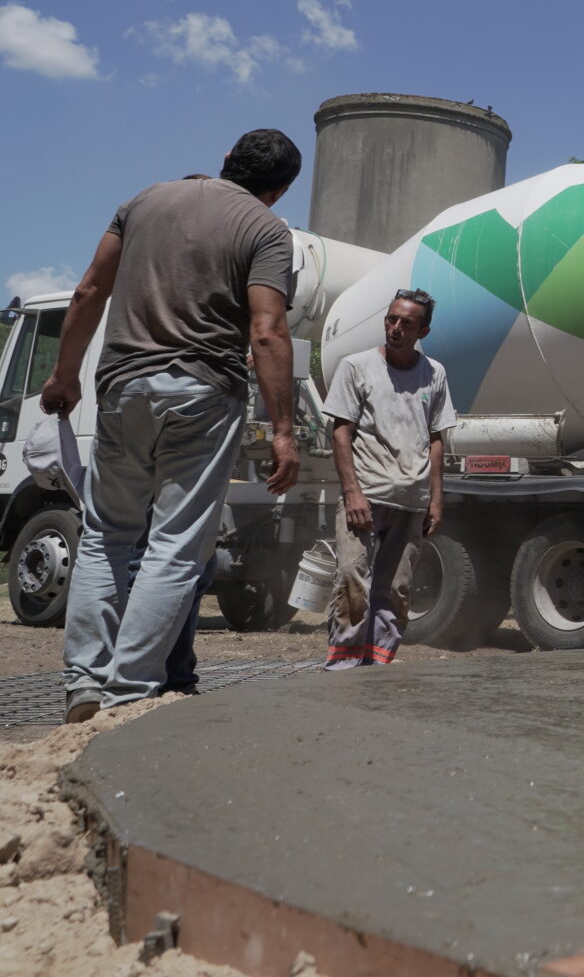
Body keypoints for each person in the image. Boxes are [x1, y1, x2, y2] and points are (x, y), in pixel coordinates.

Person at [39, 130, 302, 720]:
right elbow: (267, 329)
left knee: (107, 536)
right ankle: (130, 693)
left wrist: (64, 375)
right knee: (175, 548)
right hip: (203, 393)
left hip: (123, 387)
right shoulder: (265, 229)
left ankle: (84, 684)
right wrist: (283, 430)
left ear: (227, 160)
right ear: (280, 189)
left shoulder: (142, 202)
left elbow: (88, 290)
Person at [323, 290, 458, 669]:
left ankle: (377, 667)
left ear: (423, 330)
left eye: (407, 323)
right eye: (391, 319)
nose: (395, 328)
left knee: (396, 590)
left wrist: (436, 499)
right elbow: (340, 433)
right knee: (353, 581)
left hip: (411, 501)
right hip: (365, 496)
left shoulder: (435, 373)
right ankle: (343, 670)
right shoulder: (356, 367)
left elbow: (435, 438)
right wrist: (352, 494)